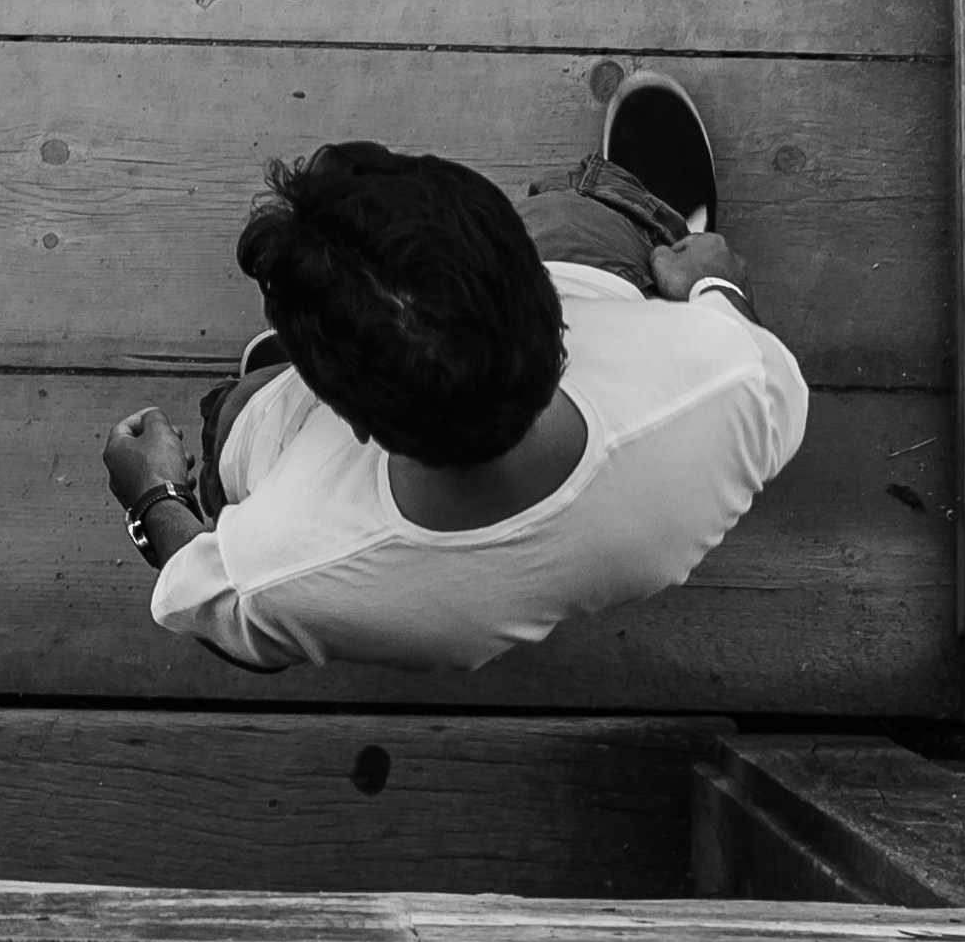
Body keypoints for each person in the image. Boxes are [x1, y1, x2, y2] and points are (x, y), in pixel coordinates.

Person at [96, 74, 806, 674]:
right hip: (615, 329)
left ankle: (277, 390)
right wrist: (716, 287)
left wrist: (151, 493)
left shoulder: (285, 564)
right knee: (581, 217)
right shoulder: (730, 377)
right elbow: (752, 354)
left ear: (356, 420)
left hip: (297, 470)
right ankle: (655, 218)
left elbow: (208, 599)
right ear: (545, 302)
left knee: (239, 425)